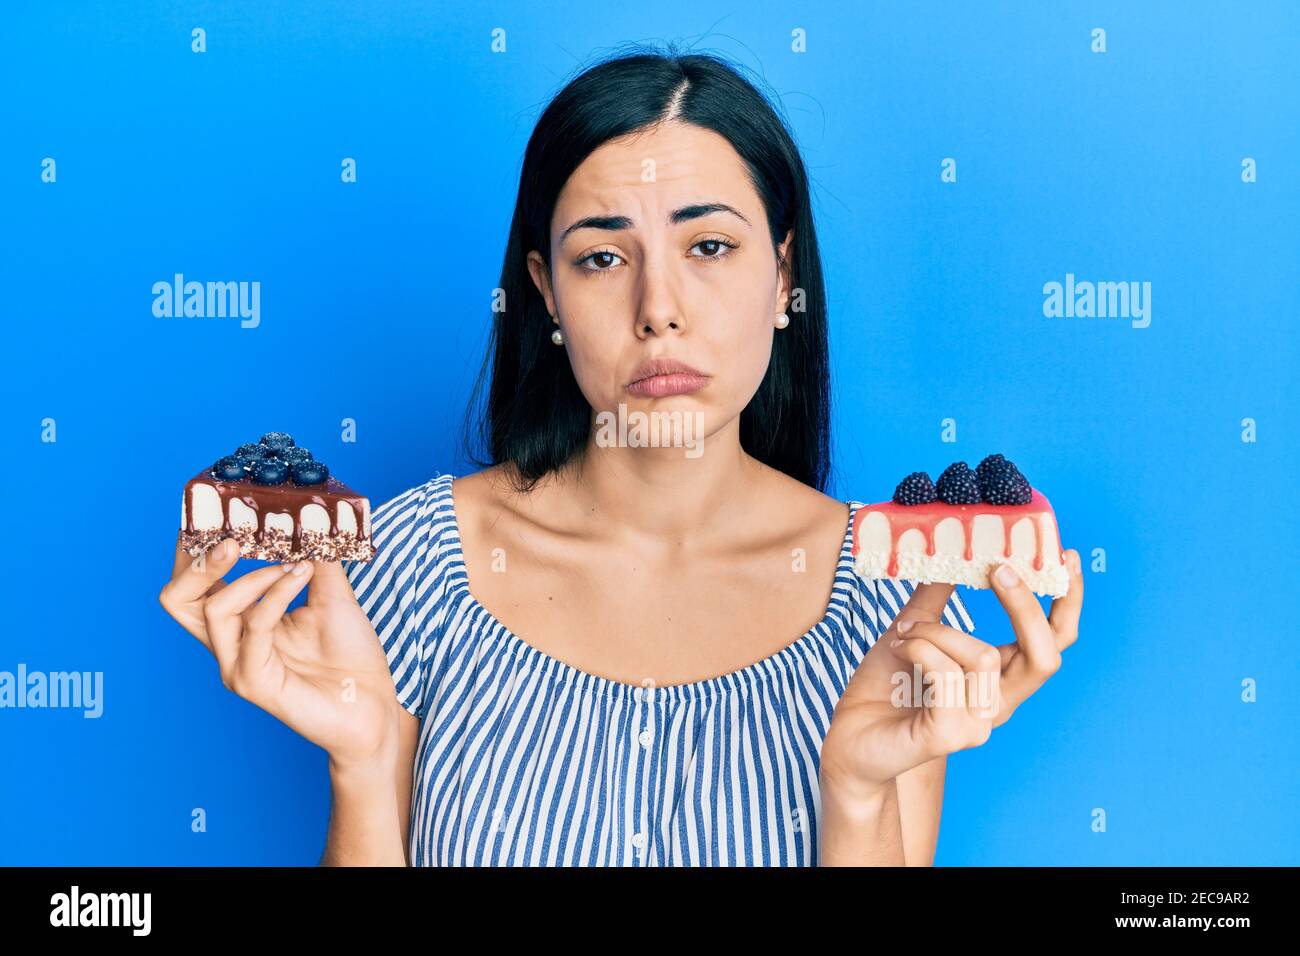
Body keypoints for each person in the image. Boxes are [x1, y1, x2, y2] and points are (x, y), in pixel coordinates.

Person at [159, 44, 1083, 867]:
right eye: (602, 258)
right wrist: (361, 767)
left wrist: (855, 790)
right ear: (546, 294)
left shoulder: (893, 603)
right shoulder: (402, 568)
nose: (659, 308)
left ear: (784, 279)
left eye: (710, 246)